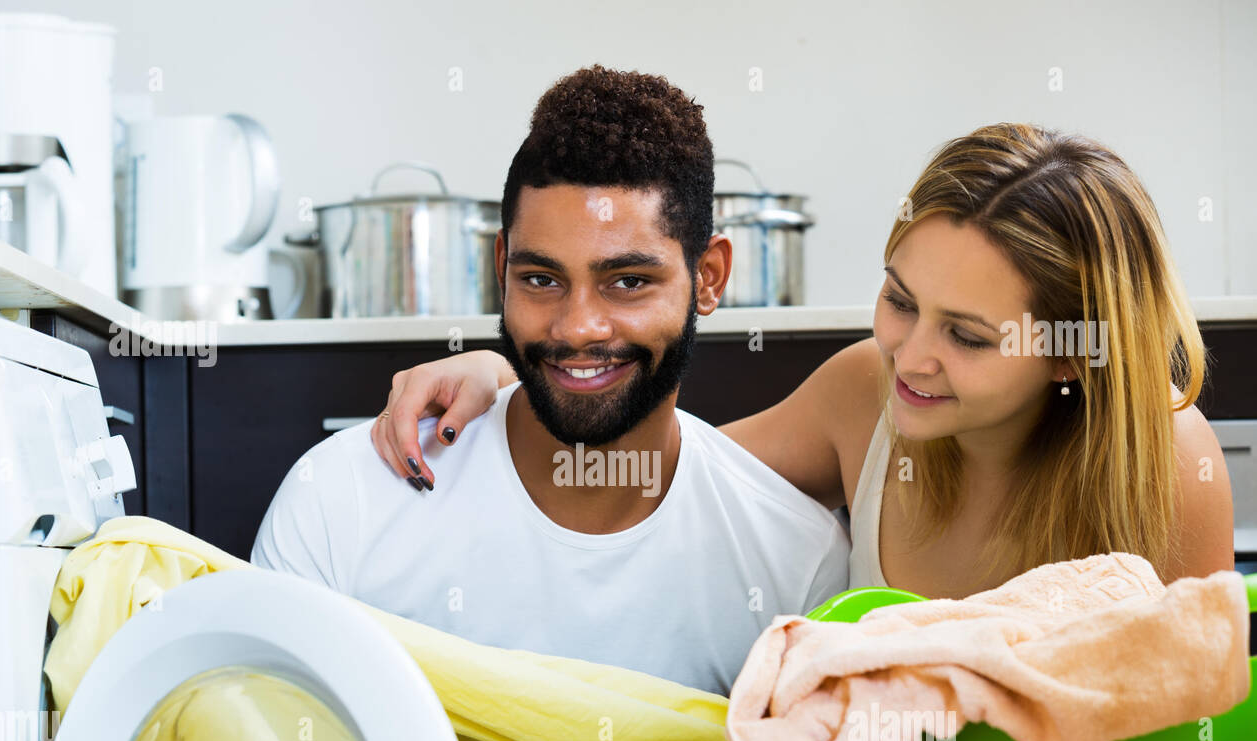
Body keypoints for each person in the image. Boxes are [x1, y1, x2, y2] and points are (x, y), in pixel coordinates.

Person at [373, 122, 1234, 599]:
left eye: (968, 336)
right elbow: (659, 479)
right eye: (900, 300)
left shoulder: (1166, 457)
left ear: (1072, 356)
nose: (912, 357)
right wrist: (517, 376)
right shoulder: (864, 392)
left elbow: (1201, 724)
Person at [251, 65, 850, 695]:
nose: (578, 329)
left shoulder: (795, 566)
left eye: (628, 281)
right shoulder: (341, 501)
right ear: (502, 266)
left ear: (708, 278)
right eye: (541, 279)